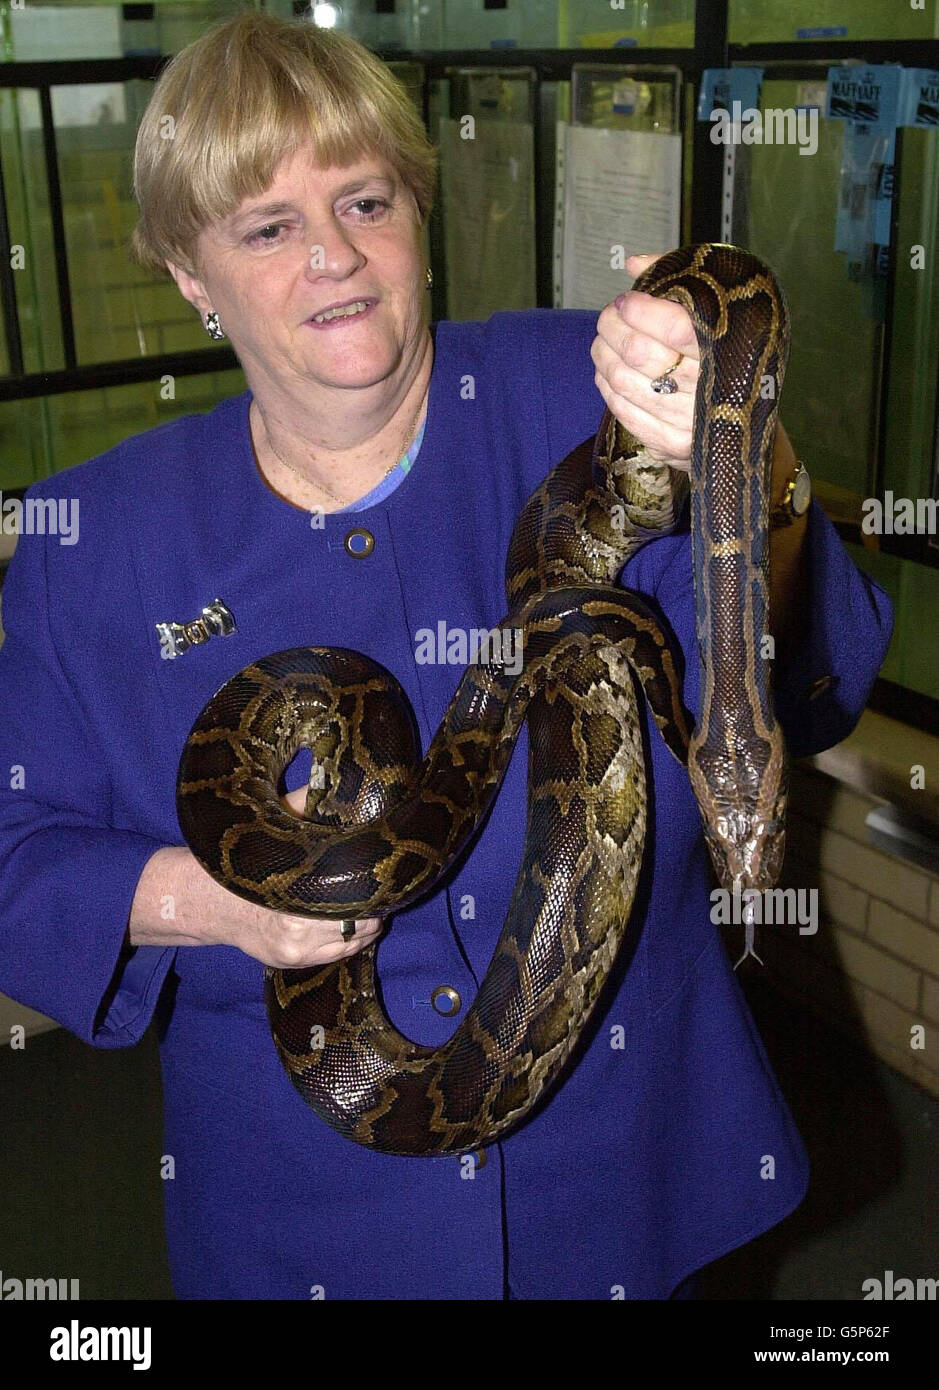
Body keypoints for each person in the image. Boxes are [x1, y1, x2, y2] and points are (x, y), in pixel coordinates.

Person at [0, 11, 892, 1300]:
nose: (333, 256)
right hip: (310, 1231)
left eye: (365, 199)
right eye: (266, 227)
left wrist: (750, 458)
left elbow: (818, 682)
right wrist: (207, 899)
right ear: (190, 273)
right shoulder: (99, 541)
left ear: (419, 210)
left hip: (634, 1198)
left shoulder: (589, 392)